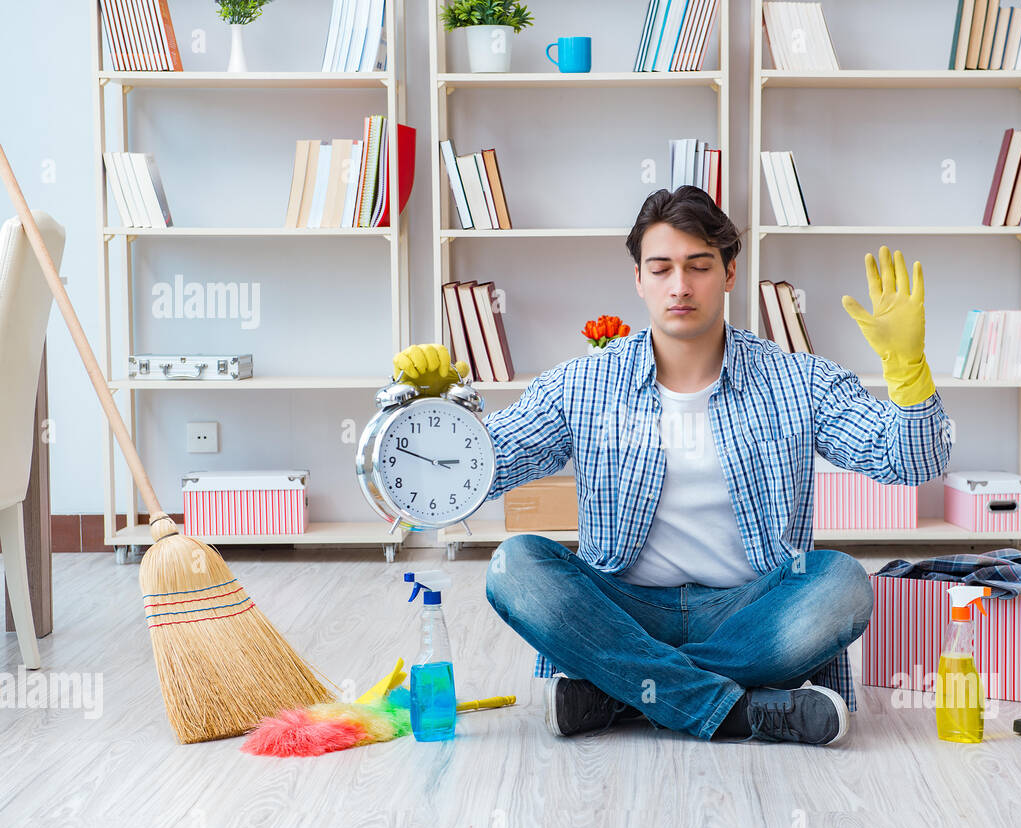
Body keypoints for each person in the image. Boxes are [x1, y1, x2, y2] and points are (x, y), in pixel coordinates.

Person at [393, 186, 952, 746]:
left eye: (699, 266)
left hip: (751, 612)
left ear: (729, 273)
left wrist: (909, 371)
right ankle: (740, 712)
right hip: (623, 611)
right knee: (514, 566)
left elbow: (910, 462)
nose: (680, 285)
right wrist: (435, 414)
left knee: (842, 583)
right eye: (661, 269)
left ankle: (622, 693)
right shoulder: (582, 383)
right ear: (639, 279)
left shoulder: (796, 379)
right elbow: (480, 471)